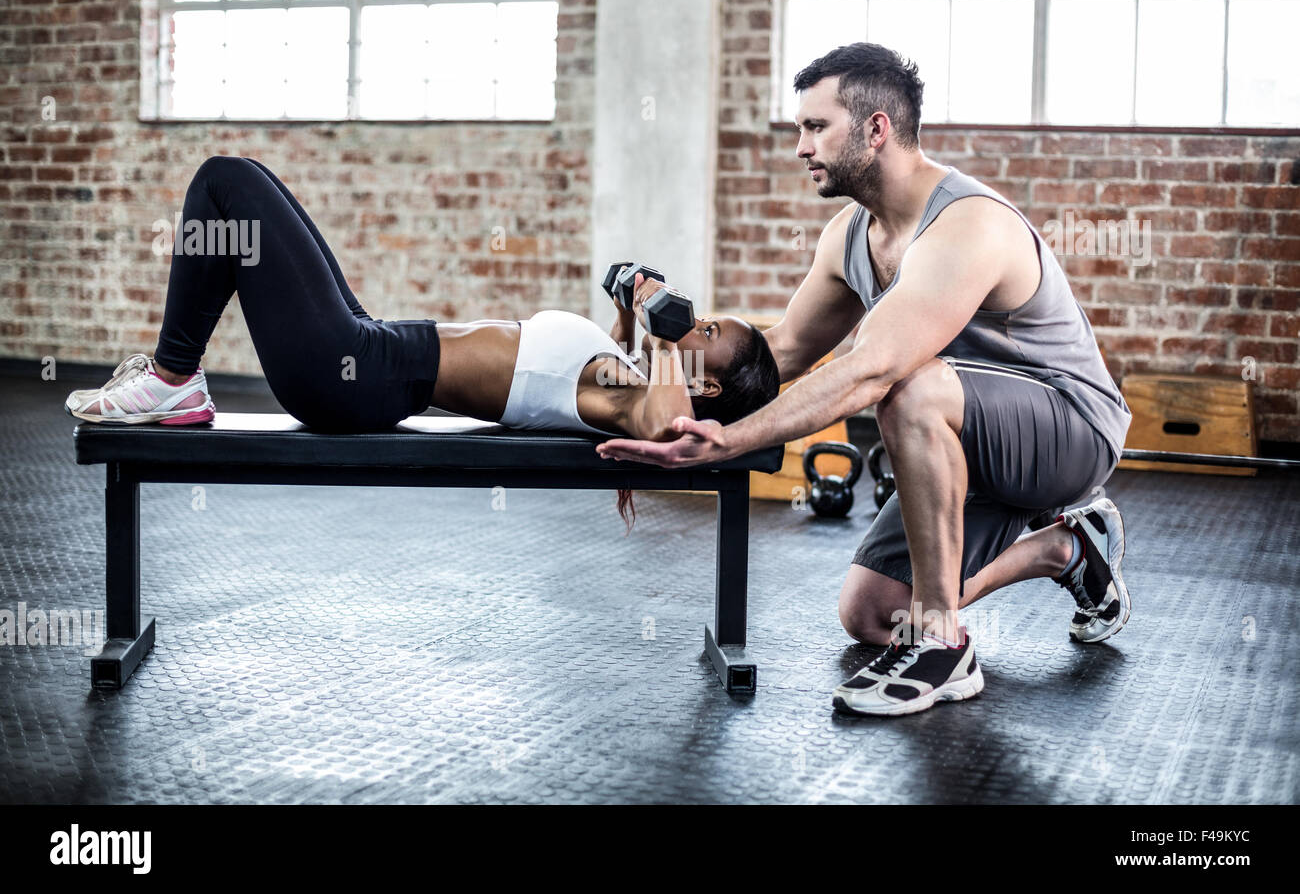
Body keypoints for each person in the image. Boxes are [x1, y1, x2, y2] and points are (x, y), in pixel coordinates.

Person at [597, 43, 1133, 716]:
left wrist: (729, 445)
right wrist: (662, 372)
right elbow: (781, 353)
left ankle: (944, 645)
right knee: (872, 614)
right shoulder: (852, 234)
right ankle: (1064, 549)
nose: (800, 147)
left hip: (1069, 430)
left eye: (815, 127)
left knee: (906, 385)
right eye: (800, 128)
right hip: (965, 447)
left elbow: (873, 370)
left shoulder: (966, 224)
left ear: (877, 129)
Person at [64, 156, 780, 531]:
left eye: (712, 334)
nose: (700, 323)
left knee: (227, 183)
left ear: (707, 386)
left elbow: (661, 421)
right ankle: (174, 376)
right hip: (372, 348)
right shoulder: (629, 373)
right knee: (261, 191)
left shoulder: (639, 403)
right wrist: (633, 305)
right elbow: (641, 370)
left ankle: (173, 377)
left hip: (357, 376)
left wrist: (660, 316)